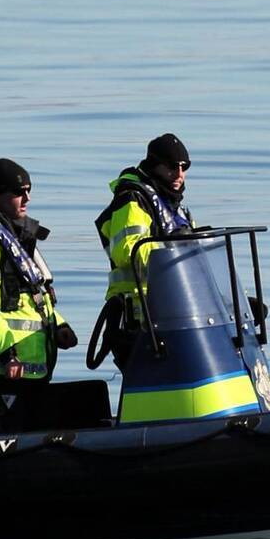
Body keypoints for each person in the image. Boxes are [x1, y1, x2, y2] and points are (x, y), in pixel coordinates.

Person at [0, 159, 77, 434]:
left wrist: (58, 325)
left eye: (29, 190)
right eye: (19, 192)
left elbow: (32, 296)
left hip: (26, 368)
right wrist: (7, 352)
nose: (27, 198)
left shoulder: (12, 235)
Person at [90, 133, 194, 371]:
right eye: (172, 167)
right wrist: (171, 250)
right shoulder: (132, 199)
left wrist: (228, 303)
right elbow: (127, 250)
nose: (179, 174)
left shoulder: (176, 210)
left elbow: (194, 262)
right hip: (137, 318)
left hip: (171, 311)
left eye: (184, 167)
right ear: (154, 165)